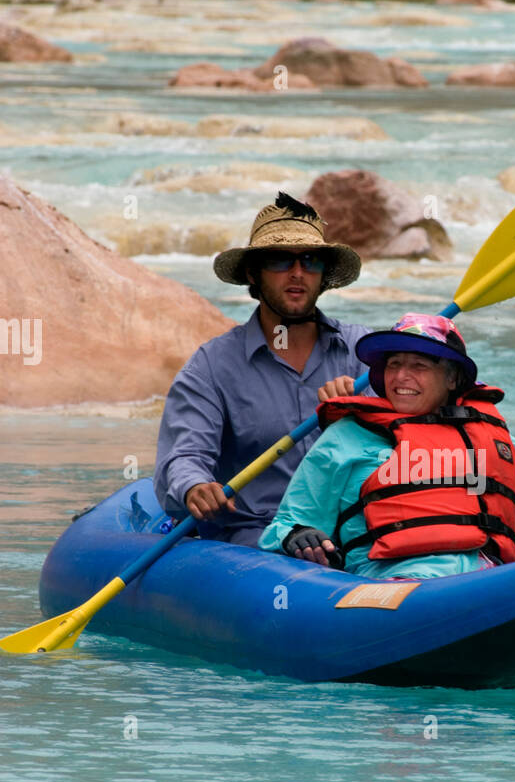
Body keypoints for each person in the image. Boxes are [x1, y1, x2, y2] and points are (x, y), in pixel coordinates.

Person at [259, 314, 515, 578]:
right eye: (394, 364)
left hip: (489, 576)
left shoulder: (499, 440)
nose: (402, 376)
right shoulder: (346, 437)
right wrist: (297, 535)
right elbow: (292, 520)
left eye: (418, 365)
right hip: (392, 581)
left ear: (451, 378)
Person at [153, 192, 369, 546]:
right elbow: (186, 455)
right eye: (280, 261)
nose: (297, 273)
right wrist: (194, 485)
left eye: (311, 261)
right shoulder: (212, 367)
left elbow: (409, 435)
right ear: (253, 274)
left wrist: (360, 417)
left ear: (323, 274)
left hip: (354, 534)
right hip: (259, 540)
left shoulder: (365, 354)